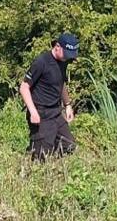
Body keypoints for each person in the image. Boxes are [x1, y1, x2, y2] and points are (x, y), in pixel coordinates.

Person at [19, 32, 80, 161]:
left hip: (56, 112)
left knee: (69, 146)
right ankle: (33, 164)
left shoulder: (63, 61)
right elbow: (24, 87)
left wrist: (68, 105)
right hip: (41, 113)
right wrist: (33, 111)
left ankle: (56, 169)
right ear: (57, 46)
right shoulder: (41, 62)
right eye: (66, 54)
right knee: (41, 156)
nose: (67, 58)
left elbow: (61, 83)